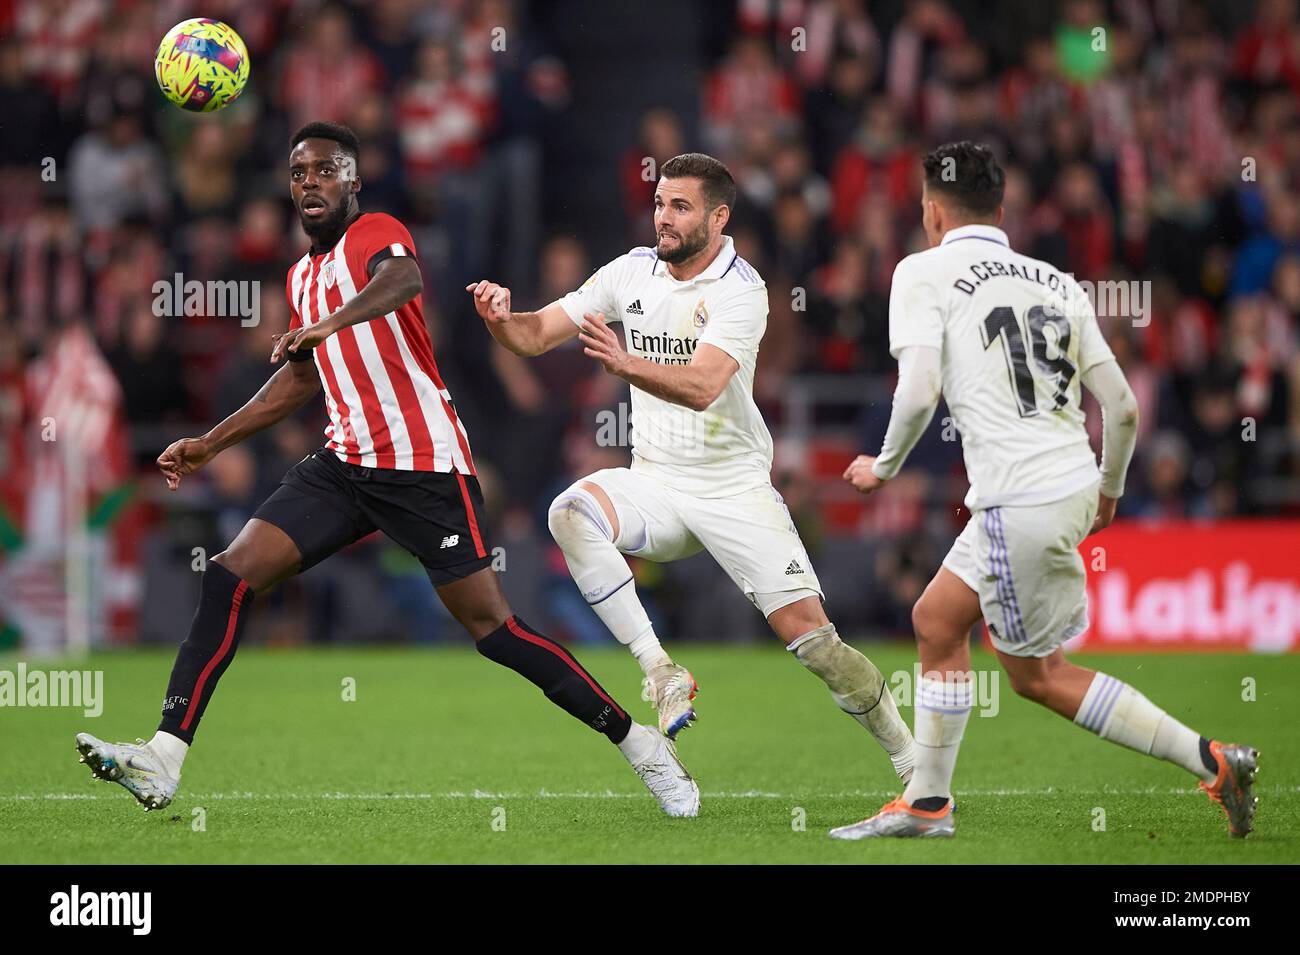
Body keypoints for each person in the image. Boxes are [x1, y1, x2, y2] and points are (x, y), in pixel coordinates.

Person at [75, 122, 698, 818]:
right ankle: (164, 755)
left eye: (325, 170)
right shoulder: (301, 275)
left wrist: (328, 323)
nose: (310, 182)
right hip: (344, 464)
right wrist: (211, 442)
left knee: (495, 631)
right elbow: (300, 380)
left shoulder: (375, 233)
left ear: (353, 180)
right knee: (229, 572)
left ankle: (641, 744)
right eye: (299, 173)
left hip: (424, 463)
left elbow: (405, 280)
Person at [830, 141, 1258, 840]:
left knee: (1038, 676)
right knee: (937, 620)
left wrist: (883, 464)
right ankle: (928, 801)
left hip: (1016, 496)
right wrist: (1111, 491)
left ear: (932, 213)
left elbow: (917, 390)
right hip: (1066, 483)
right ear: (1001, 210)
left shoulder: (923, 270)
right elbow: (1121, 406)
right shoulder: (1057, 281)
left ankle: (1212, 760)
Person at [465, 152, 917, 797]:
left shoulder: (743, 289)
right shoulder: (629, 272)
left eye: (680, 207)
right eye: (659, 204)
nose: (664, 218)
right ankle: (660, 671)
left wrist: (623, 366)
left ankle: (909, 760)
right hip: (656, 483)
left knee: (818, 646)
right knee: (568, 512)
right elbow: (538, 335)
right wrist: (502, 320)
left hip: (735, 489)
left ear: (718, 216)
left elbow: (705, 384)